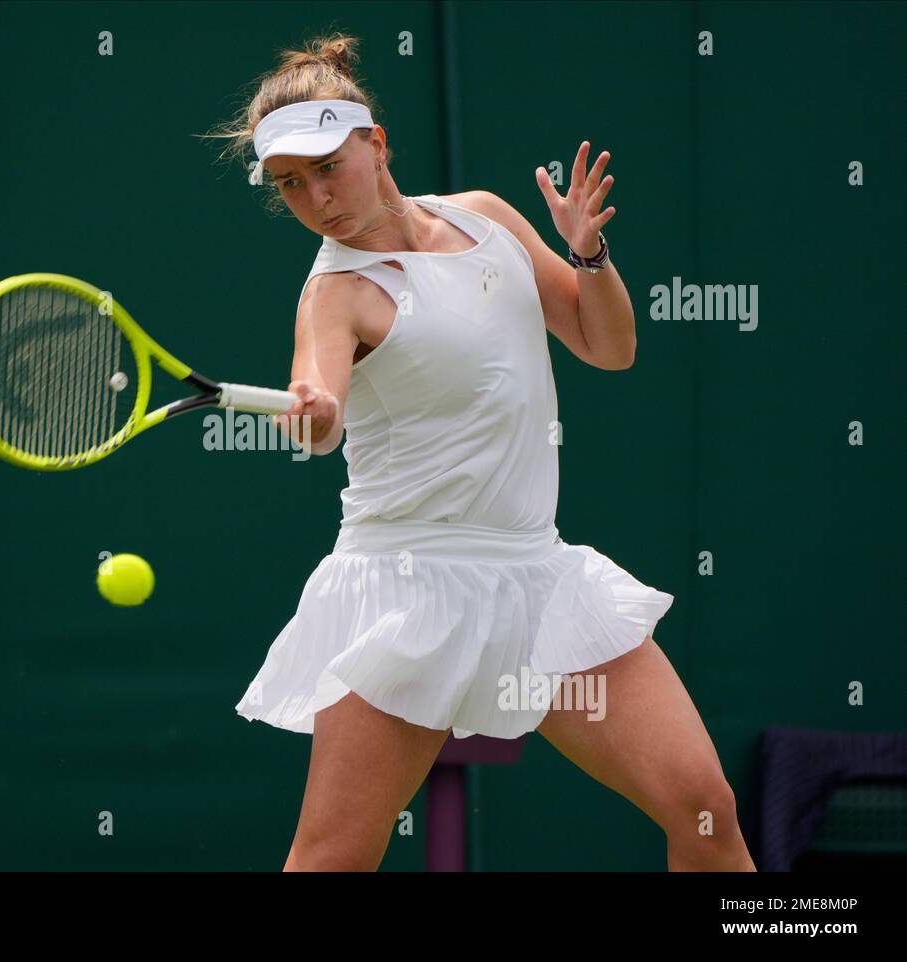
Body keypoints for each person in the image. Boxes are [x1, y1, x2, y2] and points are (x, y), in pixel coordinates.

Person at [208, 34, 755, 872]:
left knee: (707, 812)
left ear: (376, 144)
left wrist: (589, 255)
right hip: (408, 591)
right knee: (332, 861)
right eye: (291, 185)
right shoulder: (335, 292)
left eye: (329, 167)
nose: (317, 197)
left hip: (540, 584)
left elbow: (608, 346)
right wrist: (313, 413)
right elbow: (319, 421)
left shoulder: (488, 219)